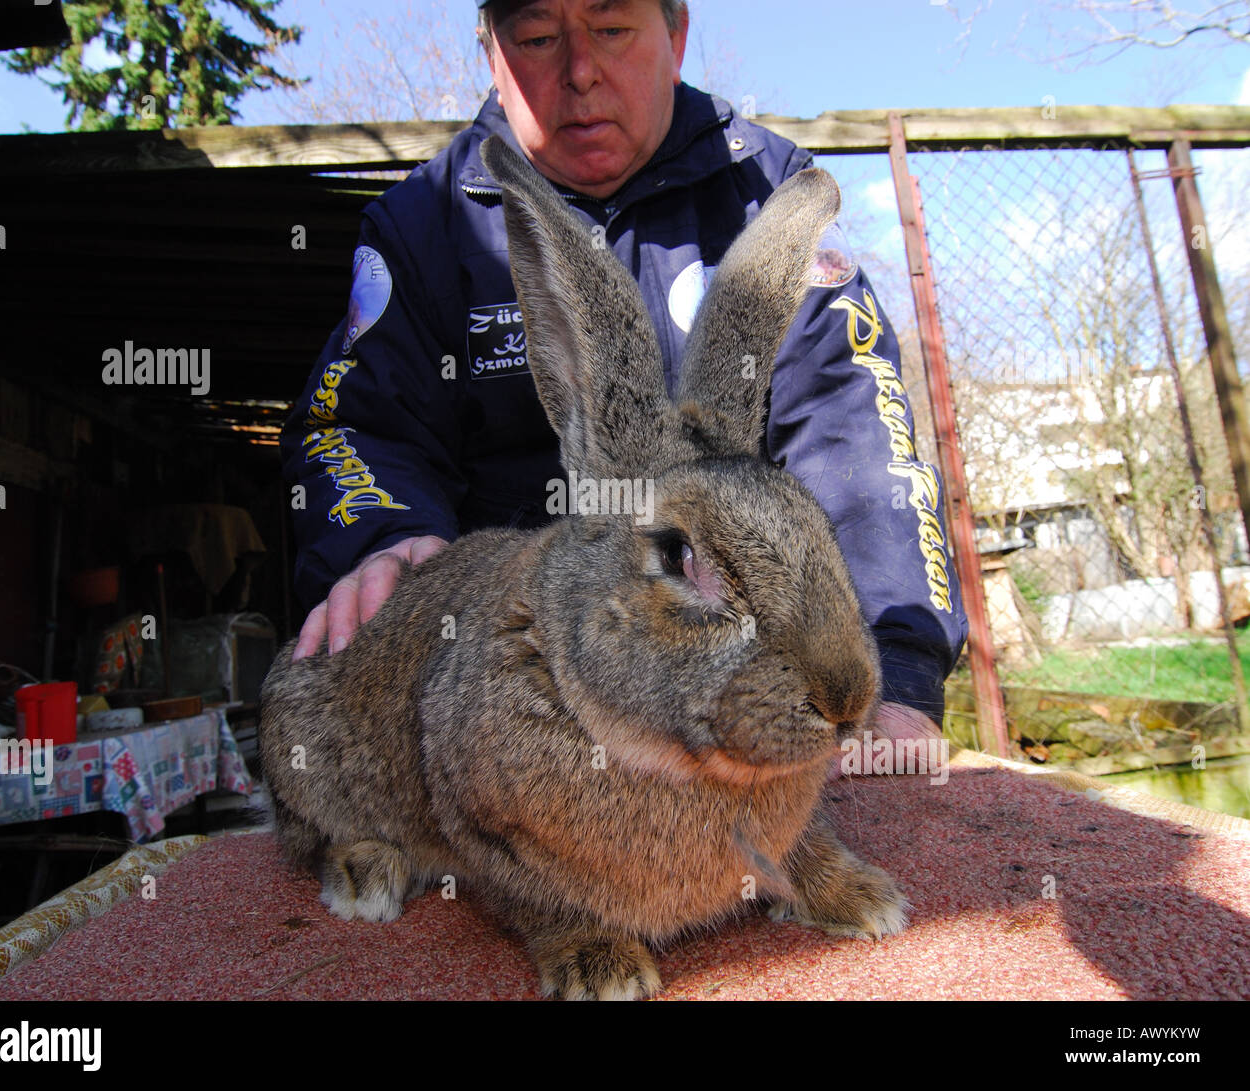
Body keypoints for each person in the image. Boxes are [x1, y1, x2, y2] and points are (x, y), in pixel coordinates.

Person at [280, 0, 967, 758]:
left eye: (612, 30)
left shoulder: (762, 189)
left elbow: (855, 423)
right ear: (491, 53)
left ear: (675, 37)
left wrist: (897, 669)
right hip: (518, 688)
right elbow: (357, 425)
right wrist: (390, 536)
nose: (579, 72)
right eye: (538, 38)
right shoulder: (423, 224)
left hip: (748, 677)